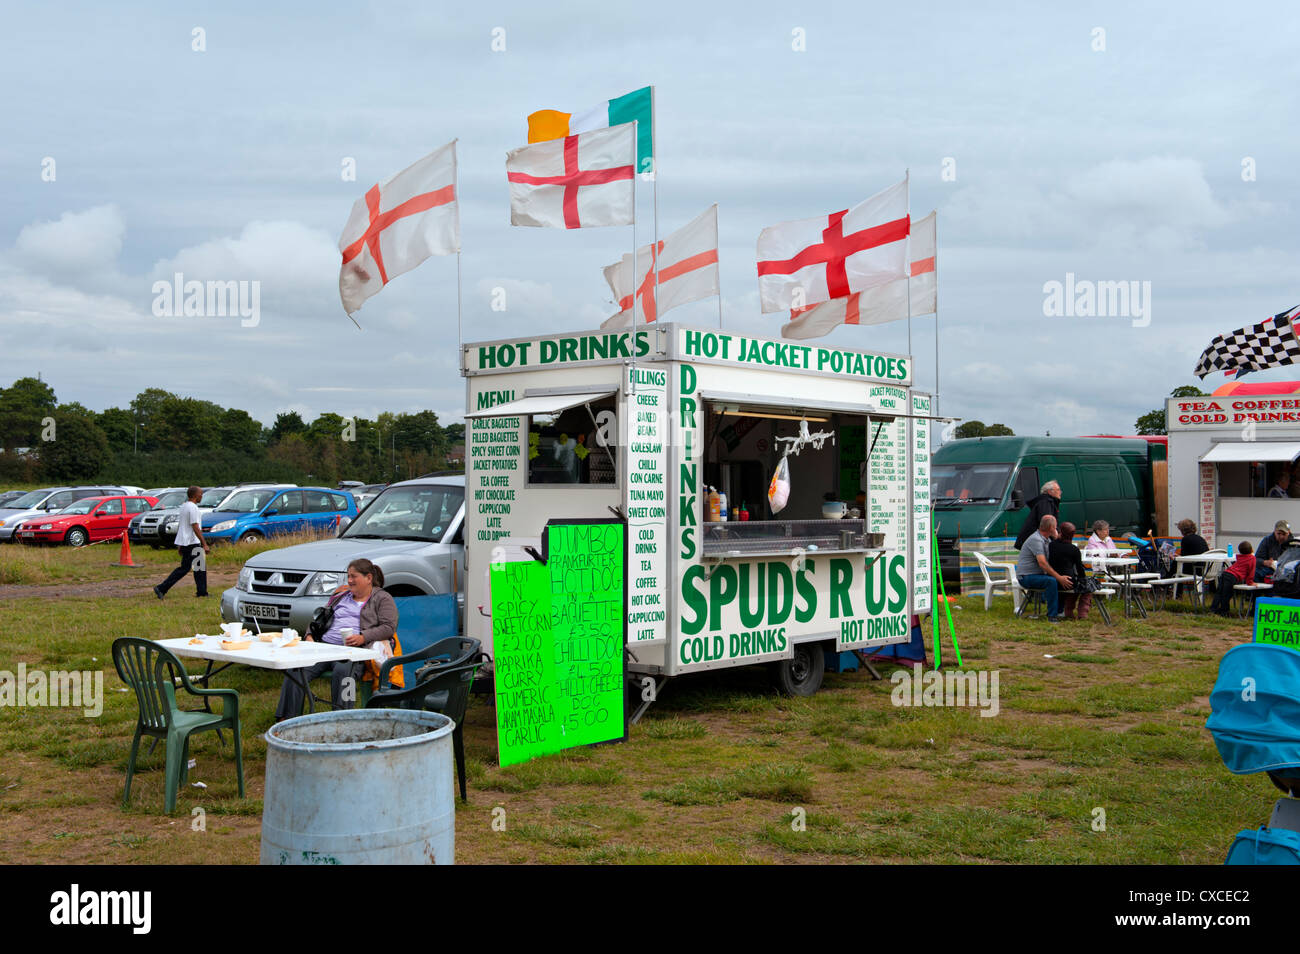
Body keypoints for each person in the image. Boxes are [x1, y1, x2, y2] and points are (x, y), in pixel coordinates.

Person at [274, 558, 398, 720]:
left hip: (355, 652)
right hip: (325, 648)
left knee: (344, 672)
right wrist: (310, 635)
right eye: (348, 576)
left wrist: (363, 637)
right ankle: (285, 720)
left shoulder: (382, 598)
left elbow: (389, 627)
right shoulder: (341, 596)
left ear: (368, 578)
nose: (350, 581)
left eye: (354, 576)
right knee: (295, 669)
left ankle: (343, 719)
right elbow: (320, 619)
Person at [1015, 514, 1072, 623]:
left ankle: (1060, 611)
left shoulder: (1045, 539)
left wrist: (1056, 538)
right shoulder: (1036, 540)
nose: (1057, 529)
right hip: (1026, 576)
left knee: (1063, 579)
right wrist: (1059, 577)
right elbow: (1042, 563)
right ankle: (1052, 616)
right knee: (1052, 581)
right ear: (1051, 528)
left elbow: (1057, 550)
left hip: (1037, 574)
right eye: (1055, 527)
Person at [153, 485, 208, 599]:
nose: (201, 496)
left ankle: (202, 592)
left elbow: (182, 526)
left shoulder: (184, 507)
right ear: (195, 495)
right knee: (186, 568)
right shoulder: (192, 508)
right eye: (200, 494)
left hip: (186, 542)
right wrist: (204, 543)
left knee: (199, 568)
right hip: (192, 542)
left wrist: (179, 544)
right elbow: (195, 526)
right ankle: (161, 588)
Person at [1050, 522, 1093, 620]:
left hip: (1052, 579)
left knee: (1076, 584)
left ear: (1060, 532)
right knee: (1087, 585)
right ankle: (1082, 612)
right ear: (1072, 535)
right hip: (1068, 581)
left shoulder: (1051, 545)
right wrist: (1084, 579)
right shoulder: (1073, 549)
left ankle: (1068, 610)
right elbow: (1080, 569)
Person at [1212, 542, 1256, 616]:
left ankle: (1213, 608)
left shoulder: (1240, 557)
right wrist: (1250, 582)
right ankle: (1224, 611)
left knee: (1219, 592)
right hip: (1232, 577)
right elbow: (1251, 571)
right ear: (1251, 549)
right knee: (1227, 594)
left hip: (1226, 573)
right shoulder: (1252, 558)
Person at [1015, 480, 1062, 549]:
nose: (1060, 492)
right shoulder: (1045, 502)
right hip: (1034, 542)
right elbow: (1048, 523)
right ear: (1049, 491)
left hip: (1032, 540)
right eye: (1058, 490)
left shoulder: (1046, 501)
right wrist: (1057, 538)